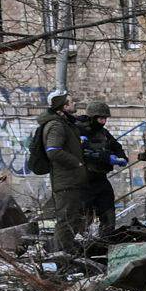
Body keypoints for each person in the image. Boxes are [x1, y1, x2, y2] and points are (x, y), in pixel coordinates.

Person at [33, 90, 91, 257]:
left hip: (71, 180)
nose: (74, 105)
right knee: (65, 221)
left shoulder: (64, 123)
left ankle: (65, 253)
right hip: (66, 181)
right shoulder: (56, 125)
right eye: (71, 102)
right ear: (64, 106)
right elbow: (53, 151)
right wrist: (76, 162)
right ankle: (61, 257)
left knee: (72, 219)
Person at [79, 100, 127, 245]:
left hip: (100, 179)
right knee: (83, 217)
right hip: (83, 180)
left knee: (108, 213)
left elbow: (115, 145)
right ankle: (81, 247)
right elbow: (83, 152)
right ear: (92, 117)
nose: (103, 121)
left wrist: (121, 157)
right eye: (101, 118)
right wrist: (106, 157)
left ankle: (105, 243)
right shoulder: (79, 131)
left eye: (105, 118)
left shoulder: (103, 133)